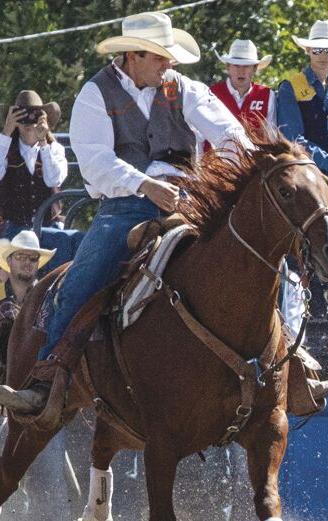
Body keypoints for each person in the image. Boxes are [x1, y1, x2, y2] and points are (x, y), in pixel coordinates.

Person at [0, 11, 258, 414]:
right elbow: (96, 161)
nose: (169, 64)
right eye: (161, 57)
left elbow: (228, 132)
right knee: (82, 279)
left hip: (191, 200)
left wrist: (229, 172)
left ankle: (285, 367)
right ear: (134, 55)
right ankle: (47, 377)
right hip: (125, 206)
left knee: (255, 253)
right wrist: (145, 184)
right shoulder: (95, 94)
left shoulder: (183, 88)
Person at [276, 20, 328, 237]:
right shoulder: (290, 87)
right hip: (304, 171)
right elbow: (294, 139)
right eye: (317, 49)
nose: (323, 55)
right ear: (308, 51)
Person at [0, 91, 83, 271]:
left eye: (34, 115)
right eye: (22, 115)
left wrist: (44, 142)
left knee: (75, 240)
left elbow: (53, 179)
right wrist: (6, 132)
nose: (29, 121)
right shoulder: (4, 147)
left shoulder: (54, 149)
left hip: (48, 227)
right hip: (13, 228)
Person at [0, 231, 53, 380]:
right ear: (9, 261)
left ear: (37, 263)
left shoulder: (49, 297)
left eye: (32, 258)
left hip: (35, 375)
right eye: (20, 257)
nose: (27, 262)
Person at [209, 39, 276, 132]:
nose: (241, 71)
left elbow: (271, 135)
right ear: (228, 67)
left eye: (246, 66)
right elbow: (200, 135)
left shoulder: (267, 95)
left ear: (254, 69)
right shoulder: (211, 94)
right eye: (236, 65)